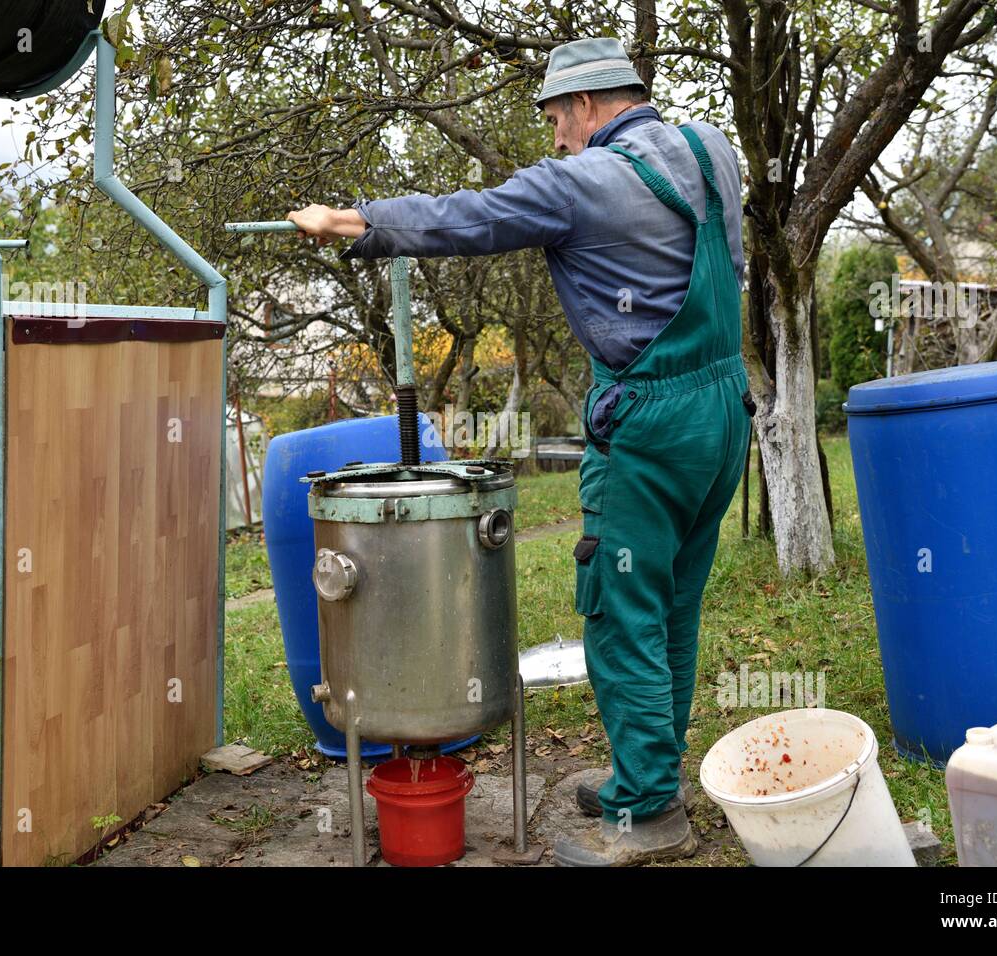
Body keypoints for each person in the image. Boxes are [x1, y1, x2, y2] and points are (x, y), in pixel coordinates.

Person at [287, 36, 751, 867]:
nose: (554, 139)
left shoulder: (584, 183)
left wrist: (353, 224)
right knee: (671, 602)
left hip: (649, 423)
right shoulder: (708, 147)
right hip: (722, 408)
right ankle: (648, 776)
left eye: (554, 120)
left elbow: (471, 216)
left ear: (584, 107)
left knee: (620, 611)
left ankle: (647, 813)